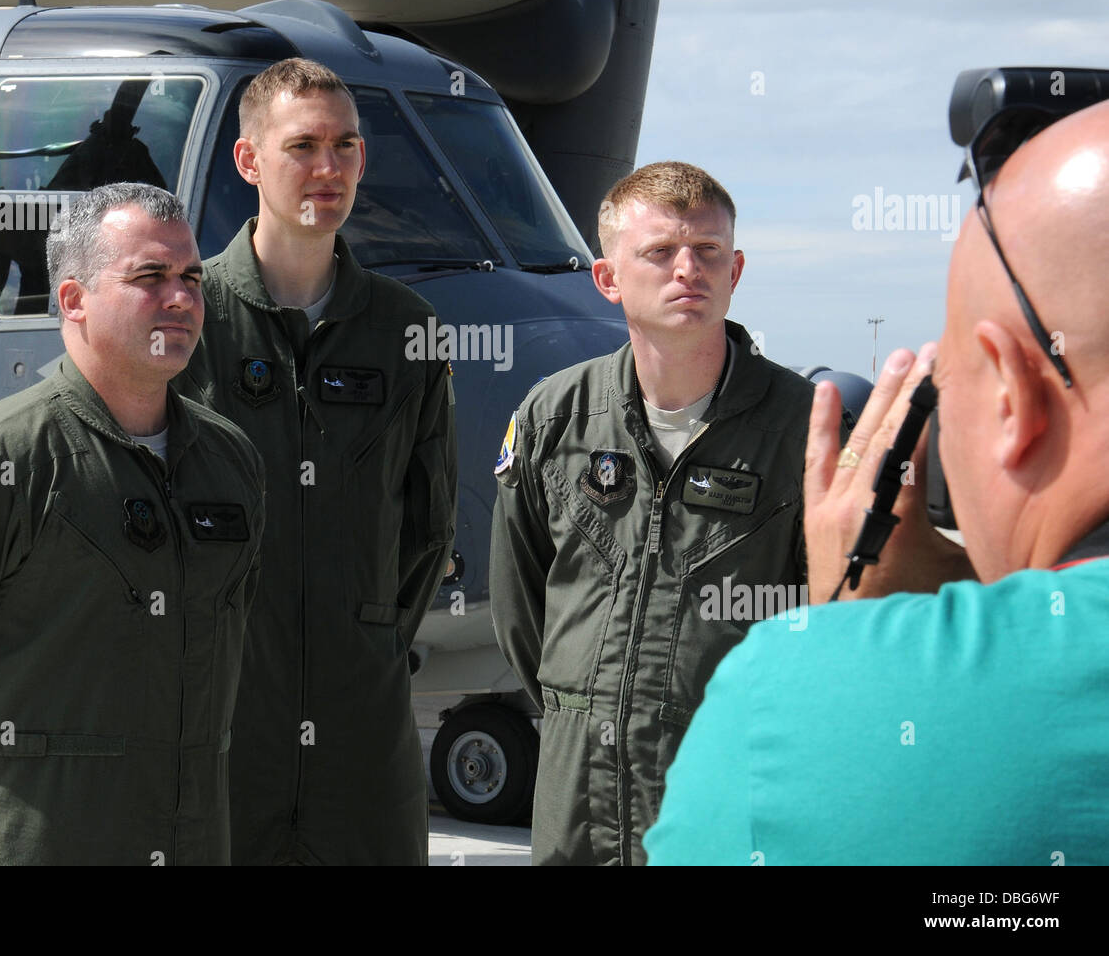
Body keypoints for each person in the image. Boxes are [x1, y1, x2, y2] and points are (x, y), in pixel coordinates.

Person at [645, 100, 1109, 865]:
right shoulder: (562, 411)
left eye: (944, 386)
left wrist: (852, 656)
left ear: (1012, 398)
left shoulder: (779, 705)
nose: (688, 271)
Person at [0, 183, 266, 866]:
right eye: (150, 277)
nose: (183, 297)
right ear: (73, 300)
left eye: (191, 276)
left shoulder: (230, 463)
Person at [489, 161, 820, 866]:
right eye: (660, 252)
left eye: (707, 253)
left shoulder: (804, 429)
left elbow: (830, 627)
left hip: (725, 800)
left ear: (735, 271)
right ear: (609, 279)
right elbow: (522, 608)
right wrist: (581, 709)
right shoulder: (556, 416)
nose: (687, 271)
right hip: (574, 804)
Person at [177, 58, 457, 866]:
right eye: (302, 145)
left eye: (346, 146)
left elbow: (425, 531)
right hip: (221, 726)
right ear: (250, 161)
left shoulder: (409, 330)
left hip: (360, 739)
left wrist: (358, 637)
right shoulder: (191, 321)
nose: (328, 168)